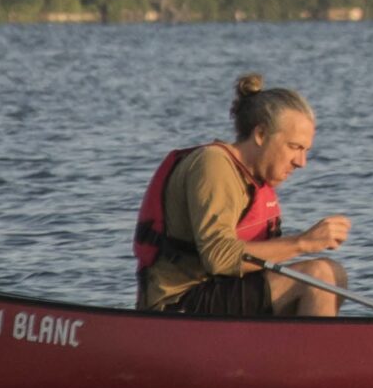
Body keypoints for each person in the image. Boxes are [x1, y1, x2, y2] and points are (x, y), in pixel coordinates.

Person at [134, 73, 352, 318]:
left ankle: (294, 351)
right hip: (179, 304)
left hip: (221, 294)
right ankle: (313, 355)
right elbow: (220, 258)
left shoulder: (255, 179)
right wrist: (304, 243)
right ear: (260, 135)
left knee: (334, 276)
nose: (302, 162)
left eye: (306, 150)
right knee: (319, 275)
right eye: (294, 147)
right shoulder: (214, 164)